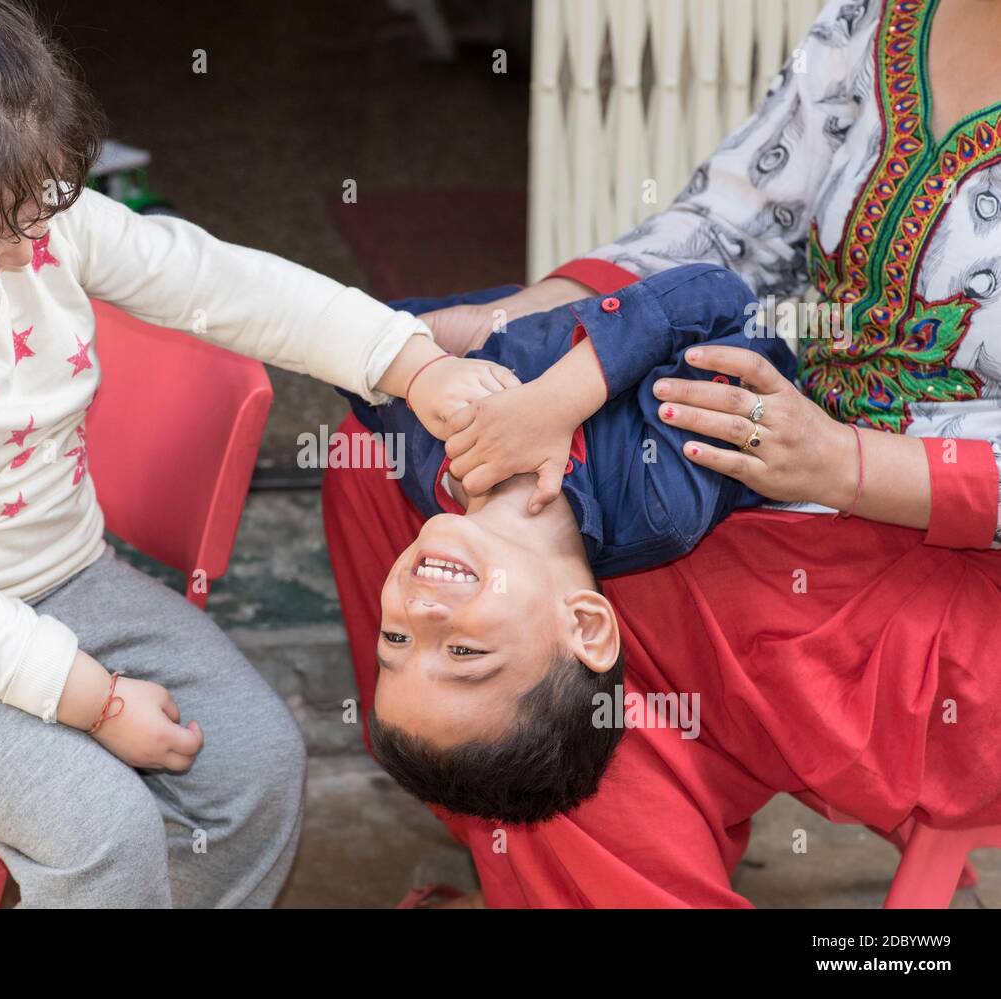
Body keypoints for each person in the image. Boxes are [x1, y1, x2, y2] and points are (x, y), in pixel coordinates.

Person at [0, 0, 516, 908]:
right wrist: (99, 703)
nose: (30, 246)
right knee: (100, 830)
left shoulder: (33, 222)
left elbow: (216, 281)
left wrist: (406, 360)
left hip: (70, 582)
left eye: (36, 209)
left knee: (255, 763)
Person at [325, 0, 1001, 906]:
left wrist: (846, 466)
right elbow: (729, 230)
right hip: (793, 466)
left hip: (953, 586)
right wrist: (516, 335)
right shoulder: (886, 15)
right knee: (381, 454)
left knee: (549, 630)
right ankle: (544, 865)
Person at [332, 264, 796, 825]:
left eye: (396, 638)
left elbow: (352, 350)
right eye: (463, 653)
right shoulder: (661, 499)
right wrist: (558, 400)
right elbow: (722, 300)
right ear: (585, 626)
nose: (422, 612)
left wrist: (427, 350)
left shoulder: (427, 459)